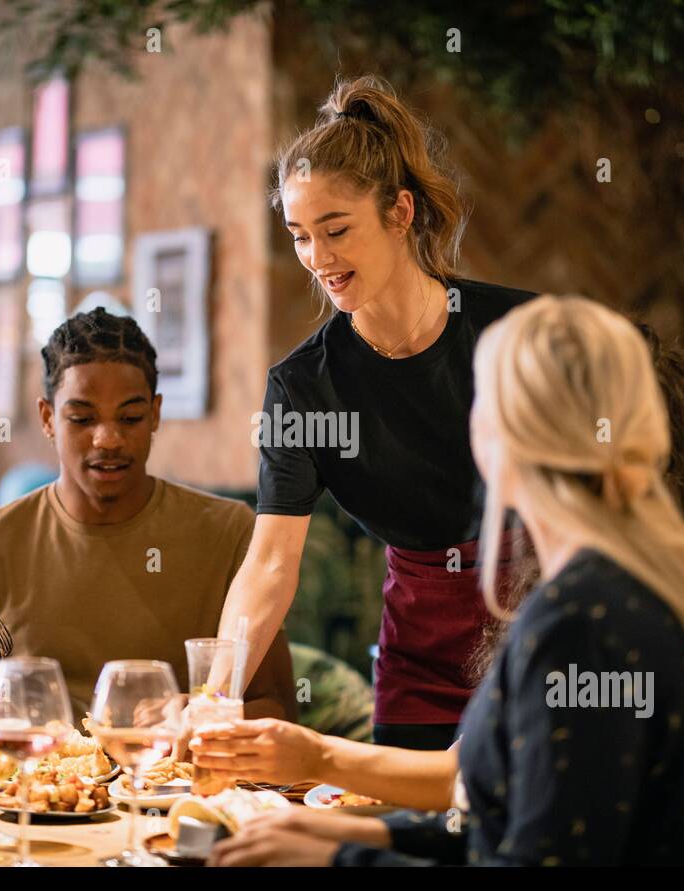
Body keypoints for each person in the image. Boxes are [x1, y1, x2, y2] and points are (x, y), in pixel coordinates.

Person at [209, 295, 684, 865]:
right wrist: (354, 835)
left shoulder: (581, 622)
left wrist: (335, 862)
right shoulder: (633, 581)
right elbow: (510, 818)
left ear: (506, 437)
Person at [216, 75, 538, 751]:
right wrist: (217, 695)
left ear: (400, 212)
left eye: (336, 230)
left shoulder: (517, 331)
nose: (318, 259)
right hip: (419, 654)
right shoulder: (303, 388)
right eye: (300, 236)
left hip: (541, 628)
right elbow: (271, 561)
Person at [0, 309, 298, 755]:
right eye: (82, 418)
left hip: (173, 795)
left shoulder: (229, 532)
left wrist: (204, 715)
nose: (107, 439)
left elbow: (279, 708)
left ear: (155, 415)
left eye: (129, 418)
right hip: (35, 794)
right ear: (48, 418)